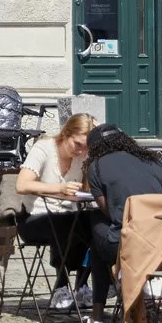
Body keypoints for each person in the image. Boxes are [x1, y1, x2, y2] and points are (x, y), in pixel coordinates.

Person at [79, 124, 162, 323]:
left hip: (130, 245)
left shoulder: (96, 166)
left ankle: (97, 318)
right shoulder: (153, 161)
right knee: (102, 241)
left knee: (96, 240)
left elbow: (109, 211)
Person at [15, 112, 96, 312]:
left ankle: (83, 284)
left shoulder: (83, 156)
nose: (81, 151)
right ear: (65, 133)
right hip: (34, 218)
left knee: (95, 222)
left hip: (68, 217)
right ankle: (61, 286)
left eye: (86, 147)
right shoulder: (44, 148)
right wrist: (59, 189)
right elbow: (22, 184)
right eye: (77, 144)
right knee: (65, 223)